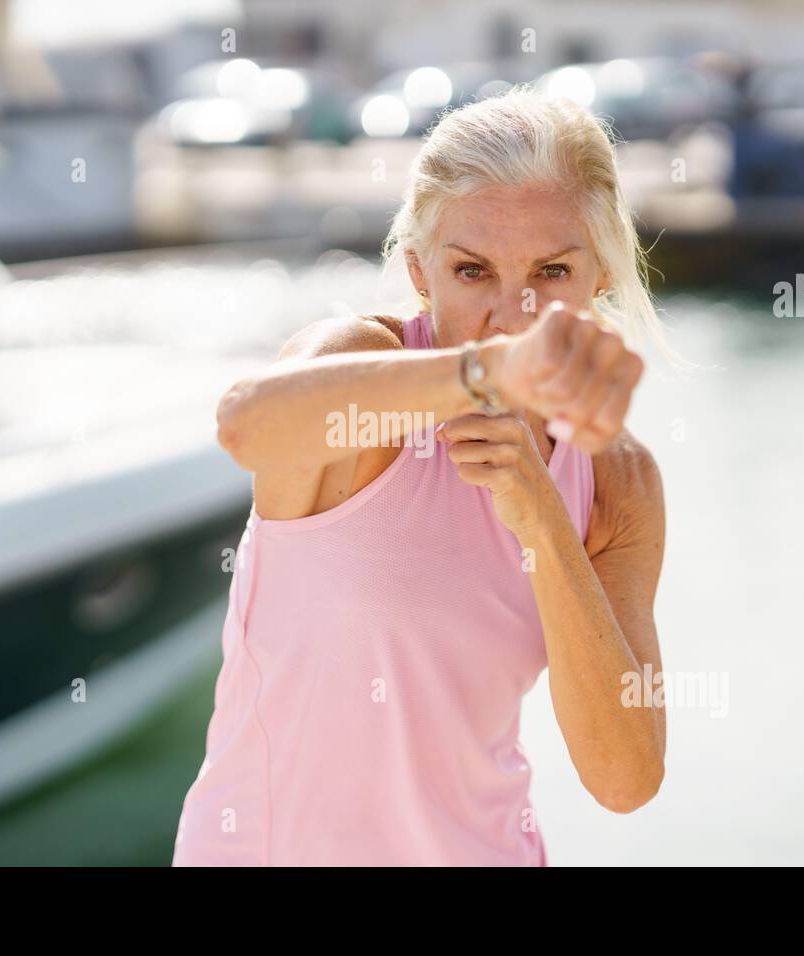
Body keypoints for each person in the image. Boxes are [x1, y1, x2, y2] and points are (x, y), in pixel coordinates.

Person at [173, 87, 670, 866]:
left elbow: (626, 777)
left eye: (552, 270)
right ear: (420, 272)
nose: (514, 313)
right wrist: (488, 374)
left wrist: (538, 515)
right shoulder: (362, 375)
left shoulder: (617, 479)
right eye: (473, 272)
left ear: (599, 273)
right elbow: (246, 426)